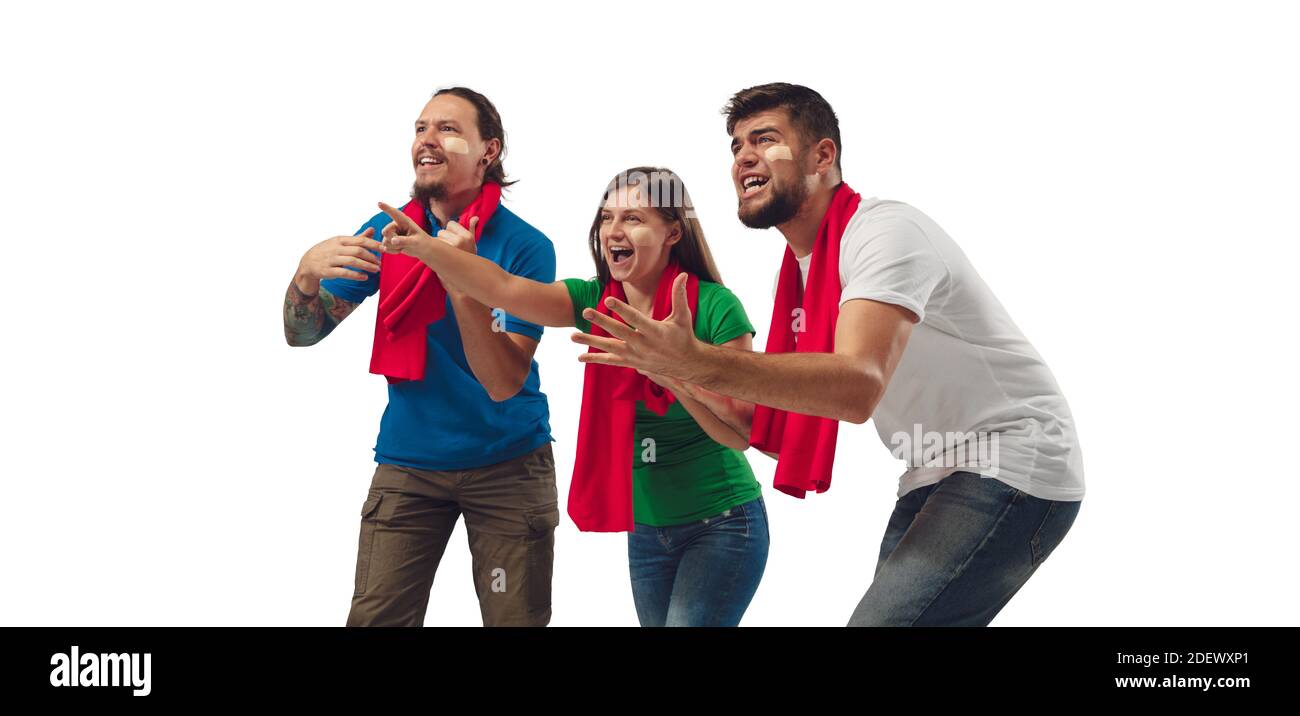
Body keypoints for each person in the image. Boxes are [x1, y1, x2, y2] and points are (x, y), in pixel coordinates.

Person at [569, 83, 1086, 626]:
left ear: (823, 156)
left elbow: (857, 385)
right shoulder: (798, 275)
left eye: (764, 139)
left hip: (1012, 458)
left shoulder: (884, 233)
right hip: (932, 470)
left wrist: (691, 360)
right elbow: (768, 424)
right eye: (736, 145)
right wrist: (675, 372)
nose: (743, 156)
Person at [379, 166, 770, 626]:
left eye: (634, 218)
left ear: (672, 233)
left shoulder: (715, 307)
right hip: (646, 528)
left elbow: (741, 431)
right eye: (606, 218)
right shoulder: (591, 302)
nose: (613, 231)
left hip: (724, 522)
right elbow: (503, 289)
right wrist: (428, 248)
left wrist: (671, 368)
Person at [283, 86, 559, 627]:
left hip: (507, 464)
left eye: (448, 129)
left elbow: (504, 381)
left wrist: (462, 277)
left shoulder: (525, 247)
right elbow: (304, 335)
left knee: (514, 621)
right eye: (420, 128)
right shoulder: (387, 235)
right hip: (411, 464)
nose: (427, 141)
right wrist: (306, 277)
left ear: (490, 151)